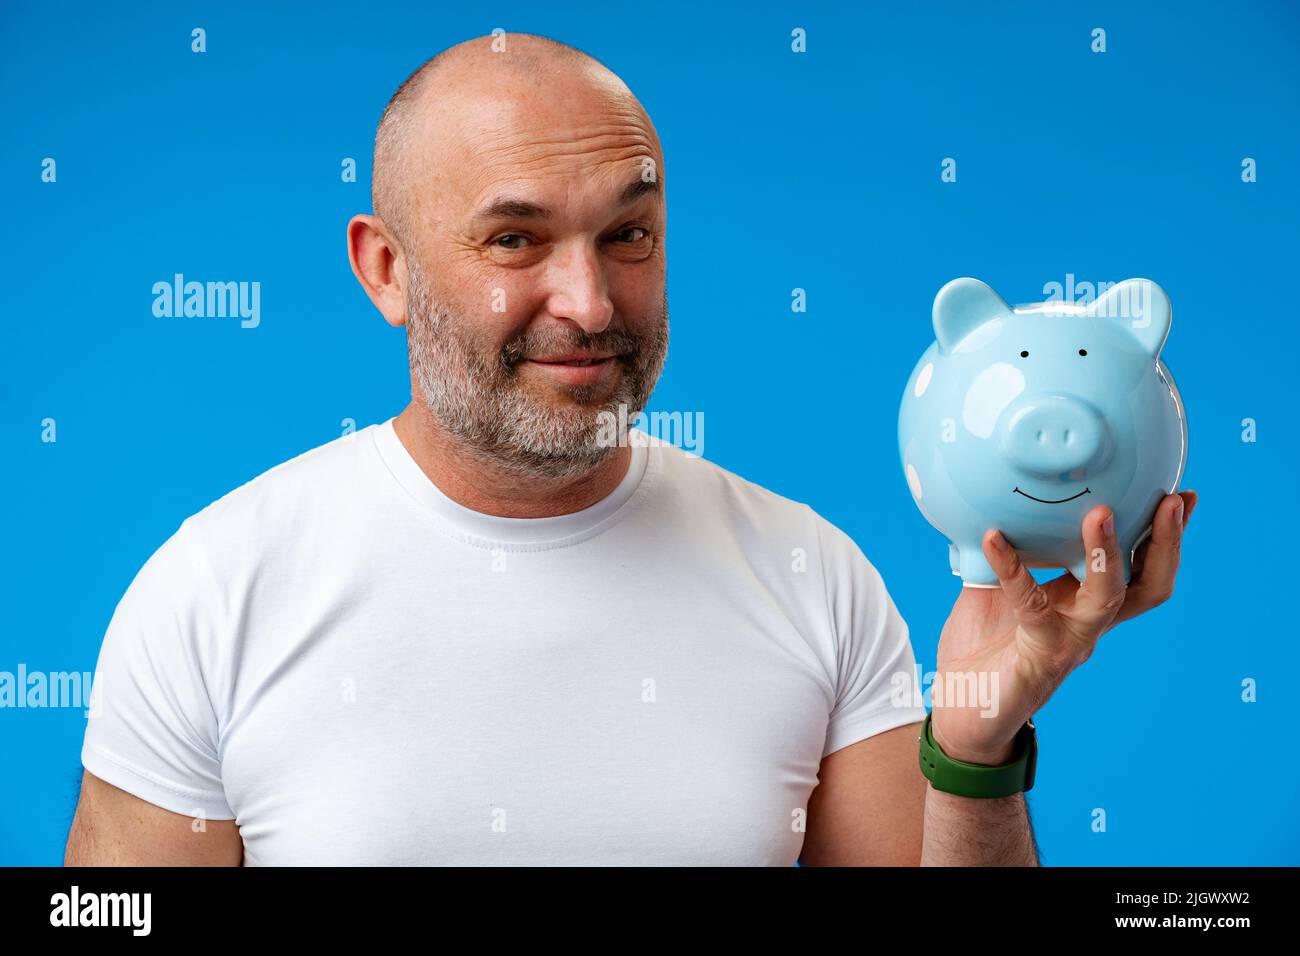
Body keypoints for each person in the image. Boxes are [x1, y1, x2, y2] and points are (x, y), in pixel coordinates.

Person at [65, 32, 1196, 866]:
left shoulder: (812, 575)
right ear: (386, 270)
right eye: (516, 238)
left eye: (629, 235)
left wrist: (976, 746)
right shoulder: (211, 592)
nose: (591, 301)